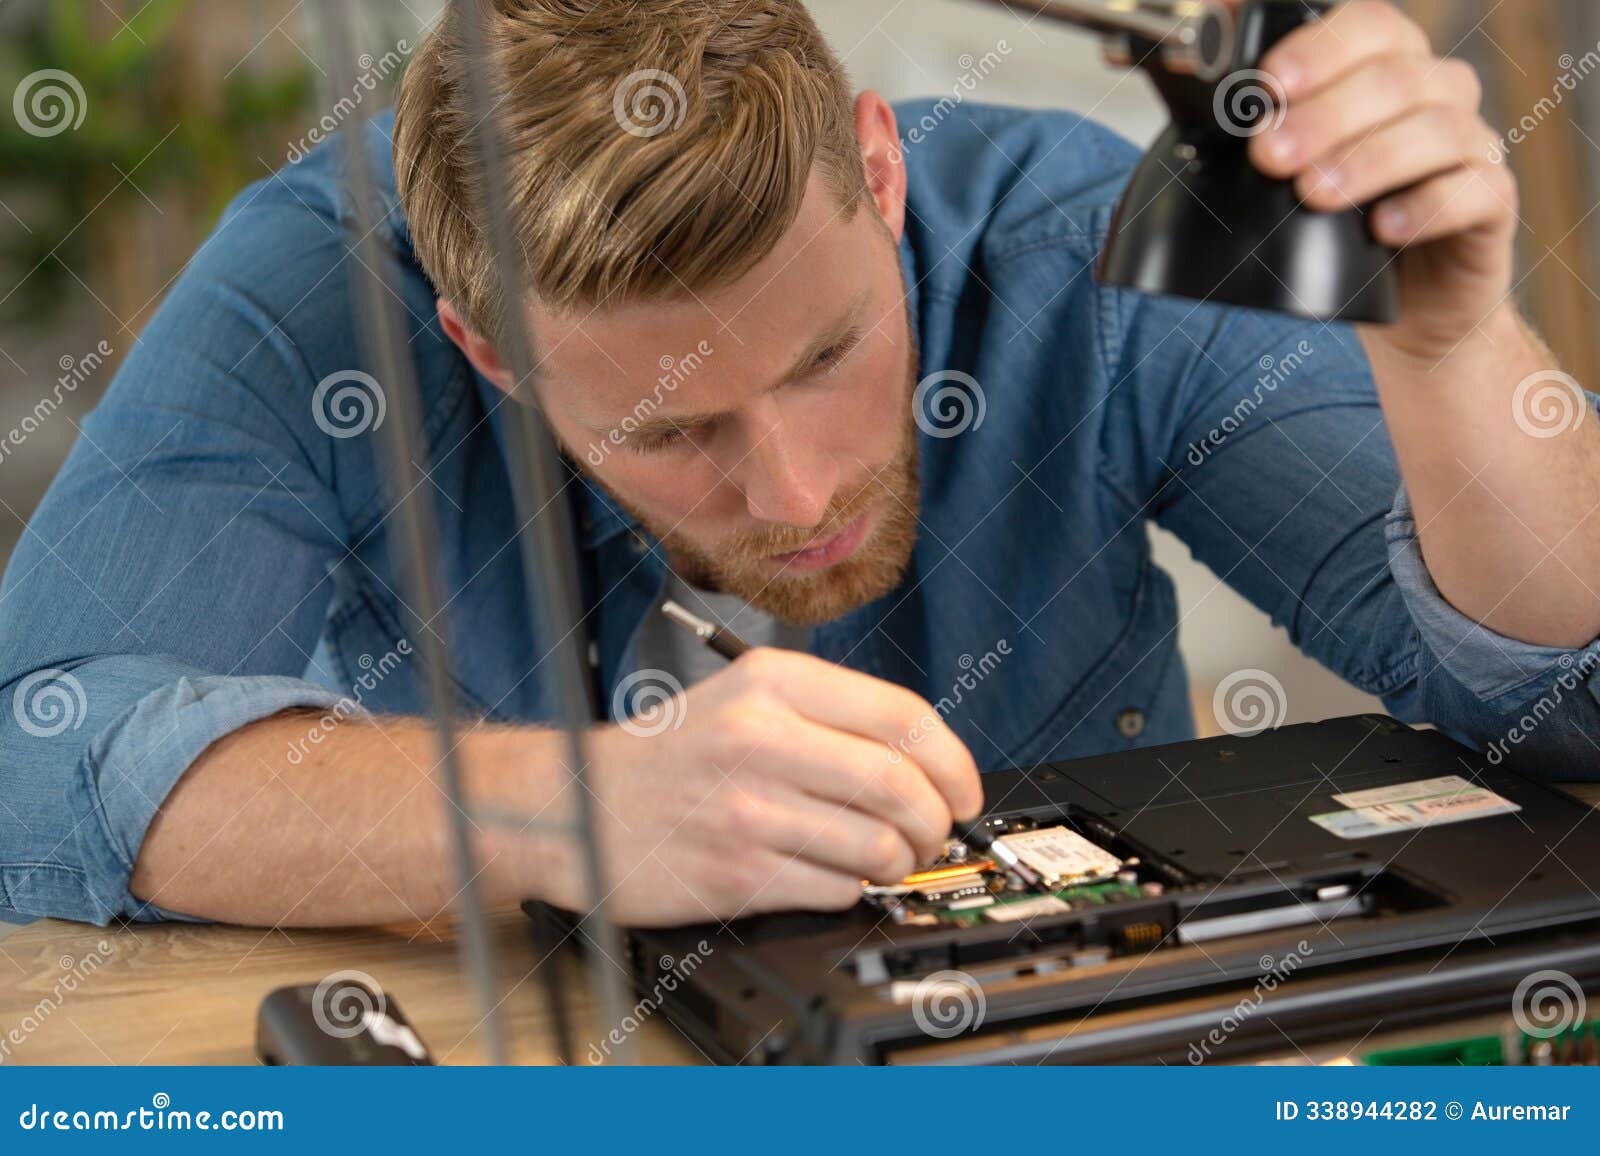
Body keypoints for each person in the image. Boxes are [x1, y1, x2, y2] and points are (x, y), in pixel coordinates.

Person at [2, 0, 1596, 932]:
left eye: (829, 353)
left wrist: (1452, 347)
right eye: (669, 428)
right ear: (485, 351)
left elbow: (1562, 703)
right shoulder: (316, 303)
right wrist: (574, 814)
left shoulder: (1068, 245)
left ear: (881, 176)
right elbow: (33, 762)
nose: (796, 493)